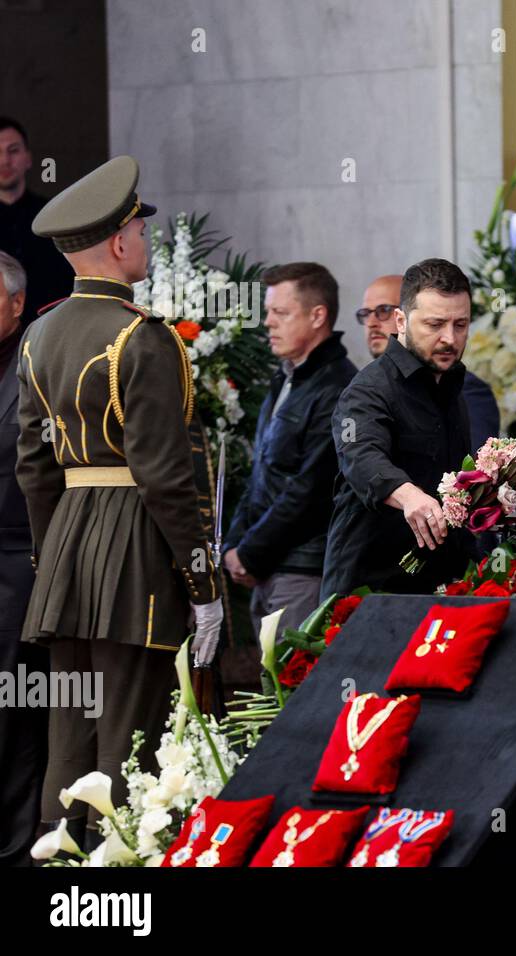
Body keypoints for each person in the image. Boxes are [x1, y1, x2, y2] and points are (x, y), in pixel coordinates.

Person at [17, 156, 223, 840]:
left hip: (69, 549)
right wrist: (203, 583)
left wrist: (57, 561)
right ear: (116, 242)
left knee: (70, 734)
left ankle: (63, 874)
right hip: (136, 552)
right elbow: (167, 477)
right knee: (131, 732)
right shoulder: (142, 337)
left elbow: (35, 468)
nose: (144, 241)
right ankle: (124, 879)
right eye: (139, 228)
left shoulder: (38, 335)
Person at [322, 258, 479, 598]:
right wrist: (409, 496)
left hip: (438, 582)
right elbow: (359, 454)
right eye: (435, 324)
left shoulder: (451, 386)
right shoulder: (366, 390)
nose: (449, 339)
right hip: (370, 588)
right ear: (401, 321)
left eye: (460, 324)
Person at [222, 262, 356, 640]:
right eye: (268, 312)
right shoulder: (285, 376)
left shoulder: (339, 387)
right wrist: (235, 545)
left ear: (318, 316)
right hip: (268, 566)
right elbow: (261, 473)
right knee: (270, 690)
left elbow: (310, 491)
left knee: (293, 691)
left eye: (280, 313)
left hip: (302, 570)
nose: (268, 322)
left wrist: (249, 554)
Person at [0, 250, 46, 864]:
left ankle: (15, 848)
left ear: (14, 304)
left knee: (15, 712)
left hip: (15, 566)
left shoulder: (34, 368)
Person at [357, 272, 499, 452]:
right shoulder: (365, 389)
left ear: (405, 318)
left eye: (383, 310)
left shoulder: (466, 389)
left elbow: (476, 472)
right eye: (365, 313)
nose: (371, 323)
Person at [0, 117, 73, 325]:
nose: (5, 160)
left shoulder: (53, 215)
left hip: (50, 331)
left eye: (13, 150)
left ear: (28, 158)